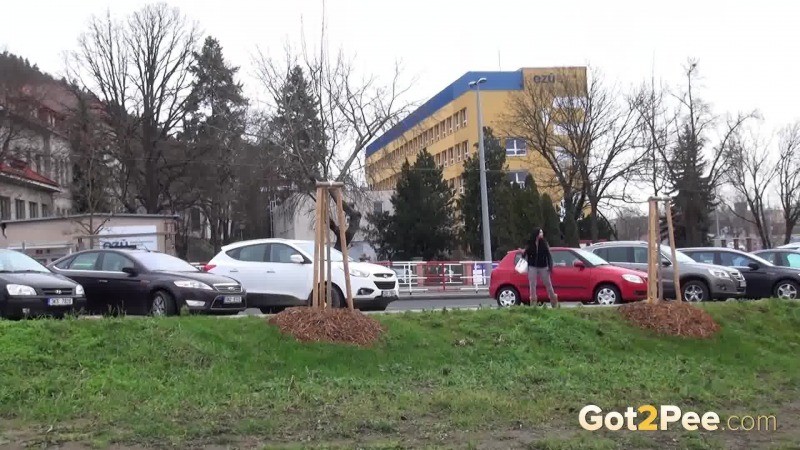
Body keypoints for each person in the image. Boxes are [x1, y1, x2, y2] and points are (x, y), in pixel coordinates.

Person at [524, 227, 559, 308]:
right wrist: (524, 253)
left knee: (548, 284)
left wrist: (550, 266)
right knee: (532, 285)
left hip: (543, 266)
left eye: (542, 233)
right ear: (536, 234)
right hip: (532, 266)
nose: (541, 234)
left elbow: (548, 255)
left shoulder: (544, 243)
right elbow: (526, 253)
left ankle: (554, 302)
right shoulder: (530, 243)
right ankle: (533, 304)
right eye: (540, 233)